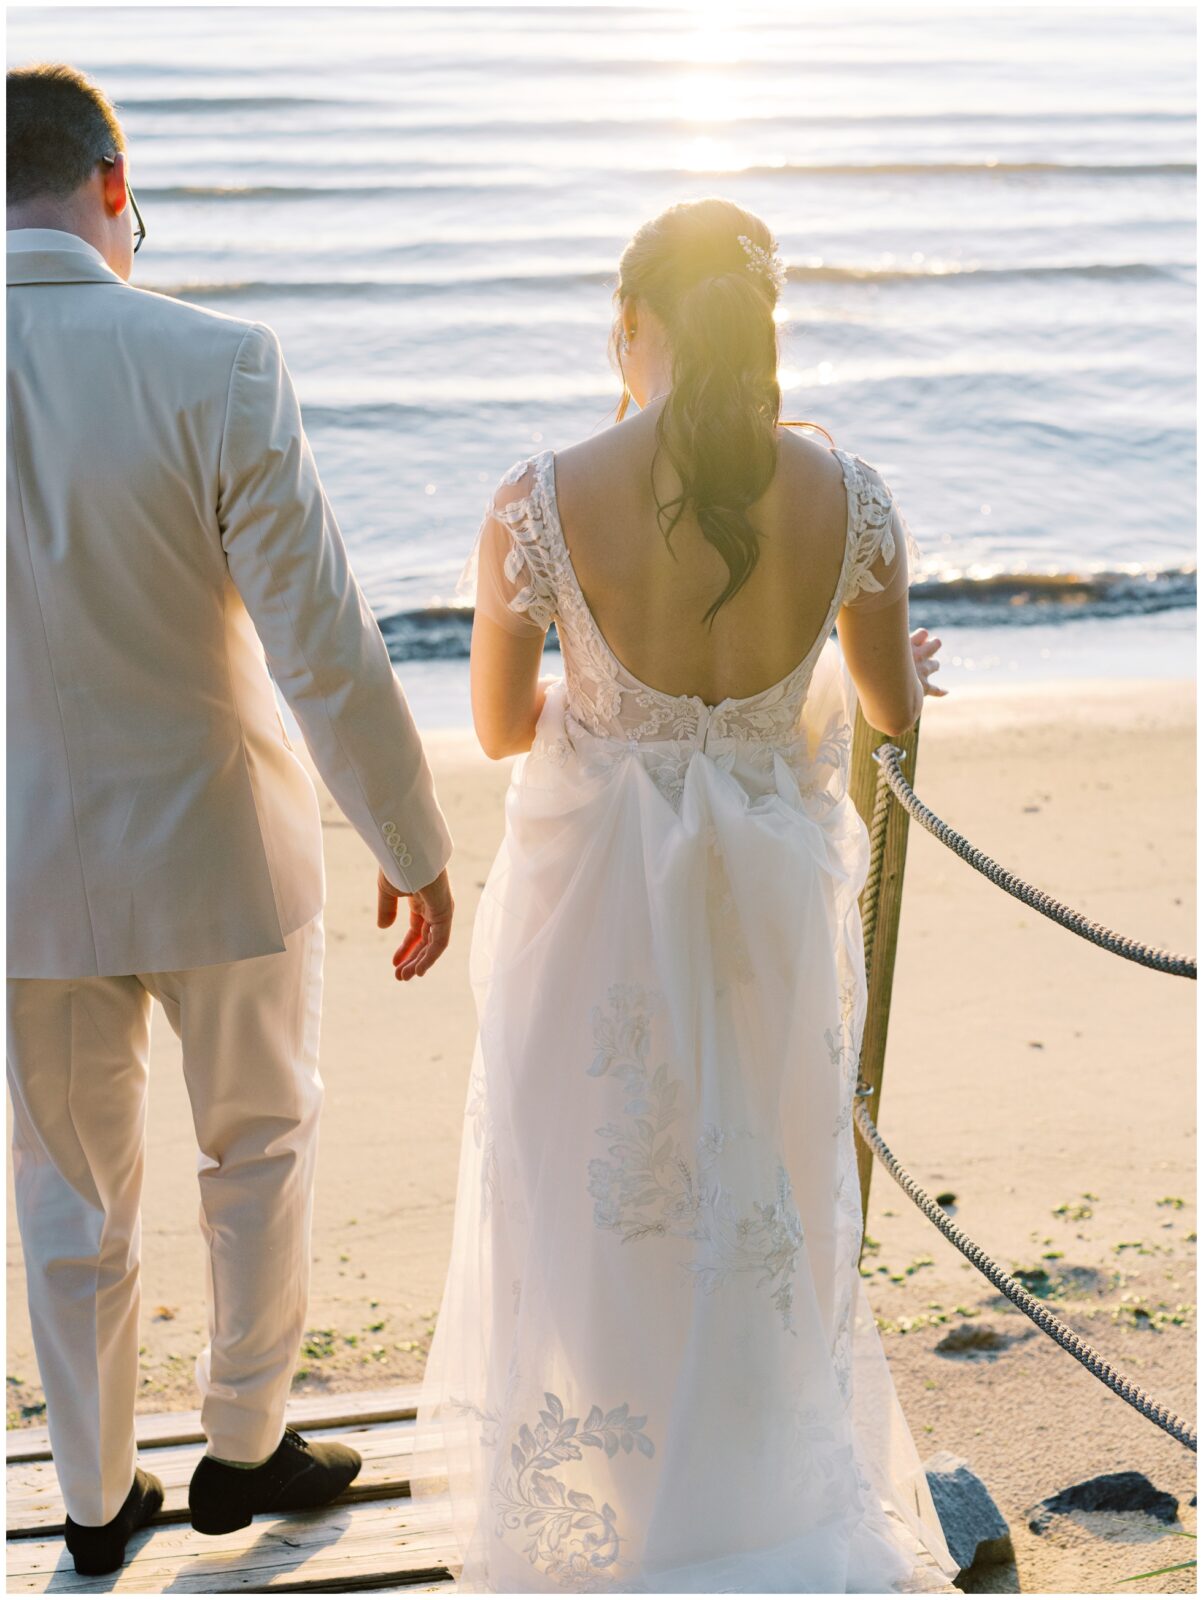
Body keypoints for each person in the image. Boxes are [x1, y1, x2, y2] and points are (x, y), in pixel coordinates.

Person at [413, 197, 955, 1592]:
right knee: (757, 1201)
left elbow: (497, 723)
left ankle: (627, 1512)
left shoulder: (539, 498)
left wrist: (613, 694)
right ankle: (749, 1501)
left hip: (593, 917)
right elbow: (890, 710)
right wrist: (809, 687)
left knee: (600, 1212)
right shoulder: (849, 495)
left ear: (631, 324)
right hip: (764, 921)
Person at [6, 64, 455, 1577]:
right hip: (215, 845)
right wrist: (410, 837)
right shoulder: (216, 360)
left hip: (21, 865)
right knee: (255, 1146)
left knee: (69, 1194)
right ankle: (248, 1443)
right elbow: (318, 637)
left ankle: (91, 1497)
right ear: (114, 188)